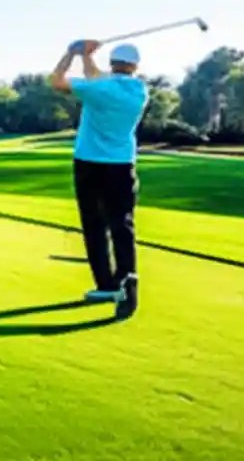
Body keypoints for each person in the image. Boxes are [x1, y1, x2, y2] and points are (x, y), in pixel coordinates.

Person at [50, 40, 148, 319]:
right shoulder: (139, 90)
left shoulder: (98, 88)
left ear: (112, 63)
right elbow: (96, 78)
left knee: (94, 225)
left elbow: (57, 81)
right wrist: (85, 56)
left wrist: (73, 52)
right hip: (122, 164)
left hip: (89, 162)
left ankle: (106, 285)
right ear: (135, 66)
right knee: (122, 224)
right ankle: (127, 277)